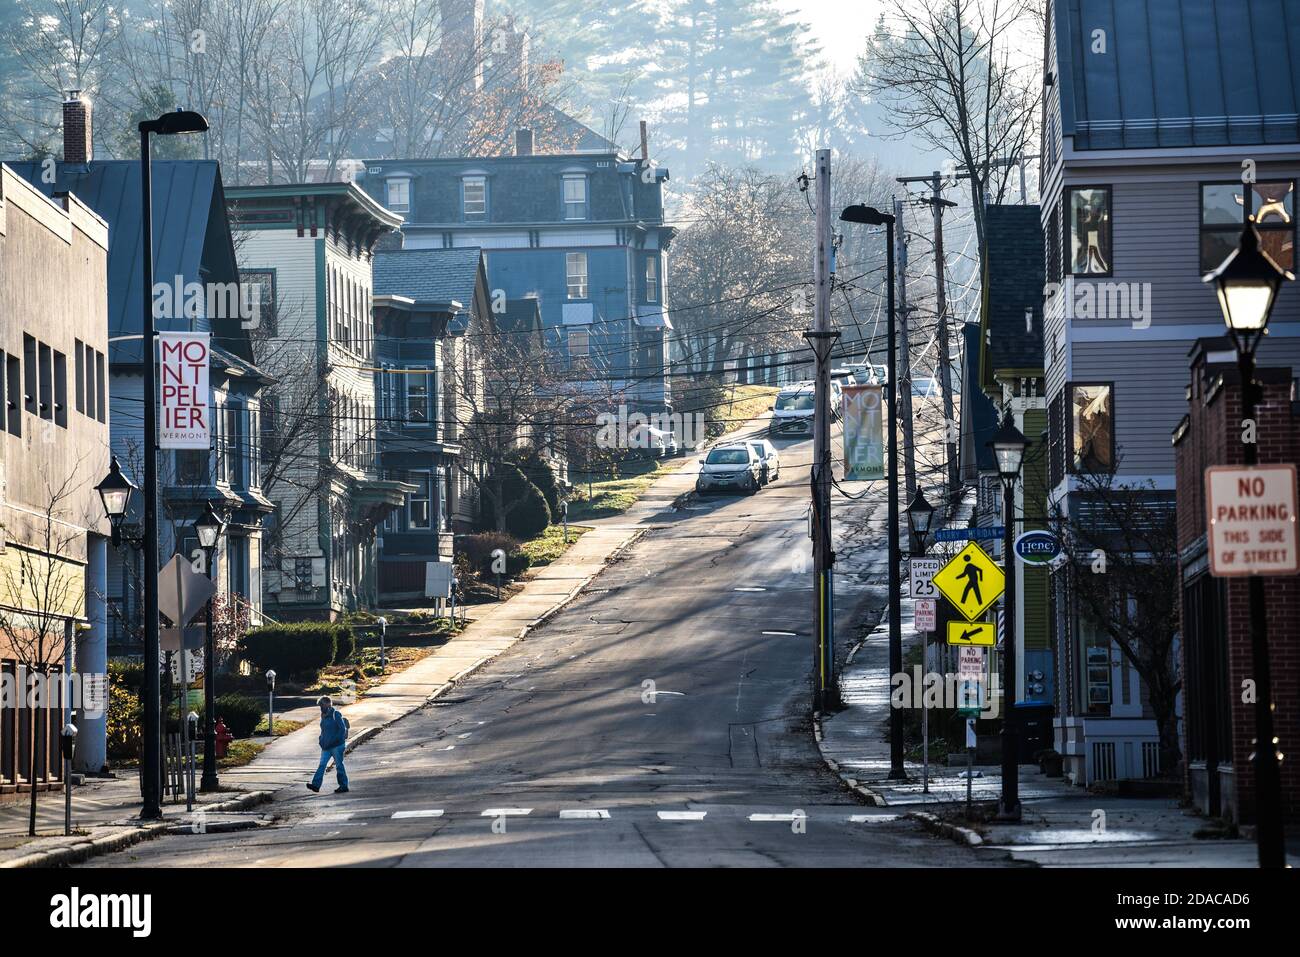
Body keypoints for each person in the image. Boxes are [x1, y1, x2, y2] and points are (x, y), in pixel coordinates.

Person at [307, 696, 350, 794]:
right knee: (322, 765)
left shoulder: (336, 714)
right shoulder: (323, 715)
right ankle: (316, 785)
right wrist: (321, 740)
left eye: (322, 705)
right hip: (326, 746)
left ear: (328, 704)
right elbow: (323, 730)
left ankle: (343, 786)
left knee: (339, 765)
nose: (321, 707)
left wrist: (335, 740)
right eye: (320, 705)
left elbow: (342, 729)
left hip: (337, 746)